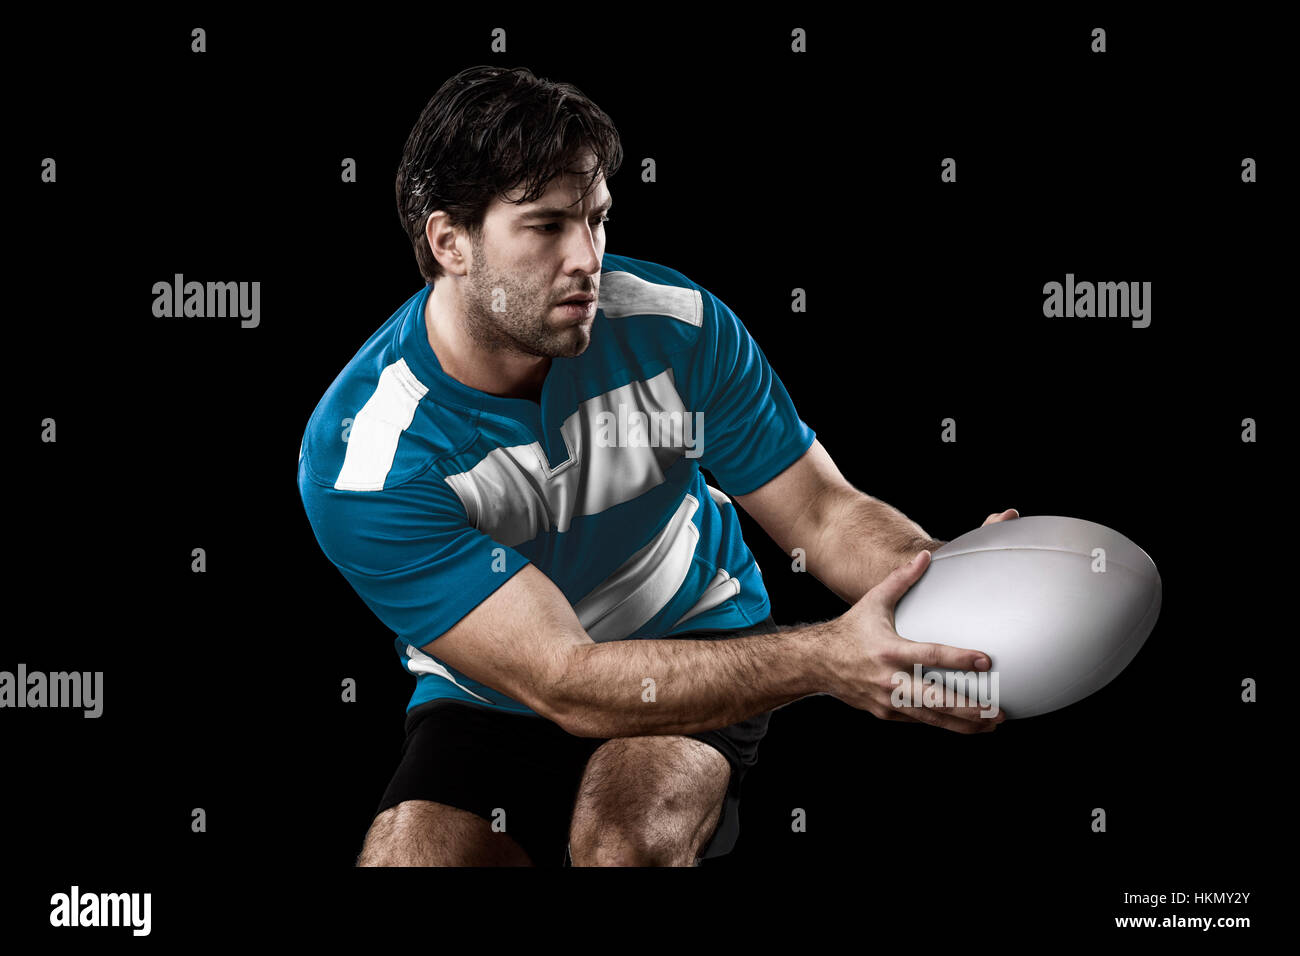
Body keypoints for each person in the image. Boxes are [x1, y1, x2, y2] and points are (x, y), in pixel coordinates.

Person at [297, 65, 1011, 867]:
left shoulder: (677, 329)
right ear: (448, 242)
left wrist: (951, 580)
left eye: (597, 219)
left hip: (693, 631)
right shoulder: (365, 461)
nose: (588, 258)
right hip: (496, 688)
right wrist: (825, 659)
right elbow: (562, 677)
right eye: (546, 226)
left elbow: (819, 511)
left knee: (622, 848)